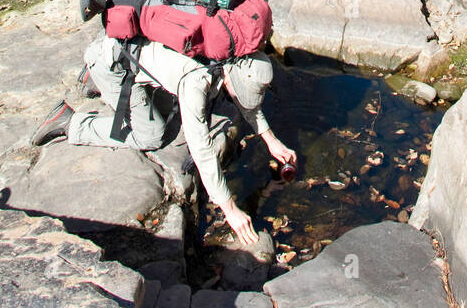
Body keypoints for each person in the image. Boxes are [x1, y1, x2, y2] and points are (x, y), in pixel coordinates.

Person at [31, 28, 296, 246]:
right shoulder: (196, 82)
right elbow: (201, 149)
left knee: (165, 112)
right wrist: (230, 210)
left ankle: (97, 73)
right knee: (153, 135)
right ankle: (70, 122)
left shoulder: (225, 52)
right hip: (116, 63)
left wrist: (272, 141)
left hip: (125, 43)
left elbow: (243, 101)